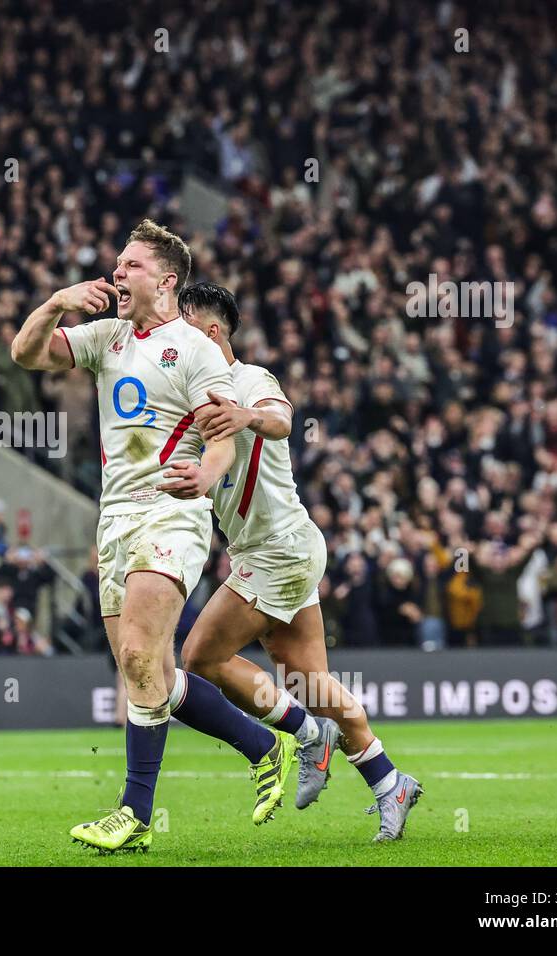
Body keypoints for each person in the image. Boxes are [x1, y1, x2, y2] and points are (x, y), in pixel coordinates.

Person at [11, 220, 296, 854]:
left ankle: (134, 812)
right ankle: (262, 743)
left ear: (166, 281)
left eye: (130, 266)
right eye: (116, 265)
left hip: (171, 512)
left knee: (140, 653)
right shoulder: (107, 337)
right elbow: (25, 354)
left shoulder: (192, 348)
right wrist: (57, 302)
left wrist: (206, 476)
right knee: (152, 677)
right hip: (113, 520)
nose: (117, 274)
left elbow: (223, 432)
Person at [179, 280, 422, 842]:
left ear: (211, 331)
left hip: (279, 550)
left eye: (184, 323)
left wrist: (244, 416)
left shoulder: (249, 380)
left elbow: (282, 420)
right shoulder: (191, 393)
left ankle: (305, 734)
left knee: (200, 656)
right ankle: (391, 784)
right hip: (279, 546)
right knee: (311, 682)